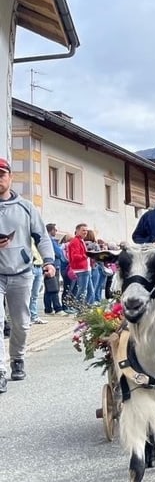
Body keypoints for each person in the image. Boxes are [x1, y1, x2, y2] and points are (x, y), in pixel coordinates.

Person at [0, 158, 57, 393]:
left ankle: (17, 358)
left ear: (10, 177)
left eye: (2, 174)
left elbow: (42, 236)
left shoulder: (26, 206)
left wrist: (49, 262)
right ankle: (0, 369)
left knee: (21, 324)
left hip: (22, 273)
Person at [66, 224, 91, 306]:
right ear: (77, 231)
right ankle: (78, 308)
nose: (85, 232)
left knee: (86, 290)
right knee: (82, 290)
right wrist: (86, 255)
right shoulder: (75, 241)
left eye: (86, 230)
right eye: (83, 230)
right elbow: (75, 256)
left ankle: (82, 307)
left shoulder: (80, 240)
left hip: (85, 268)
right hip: (81, 269)